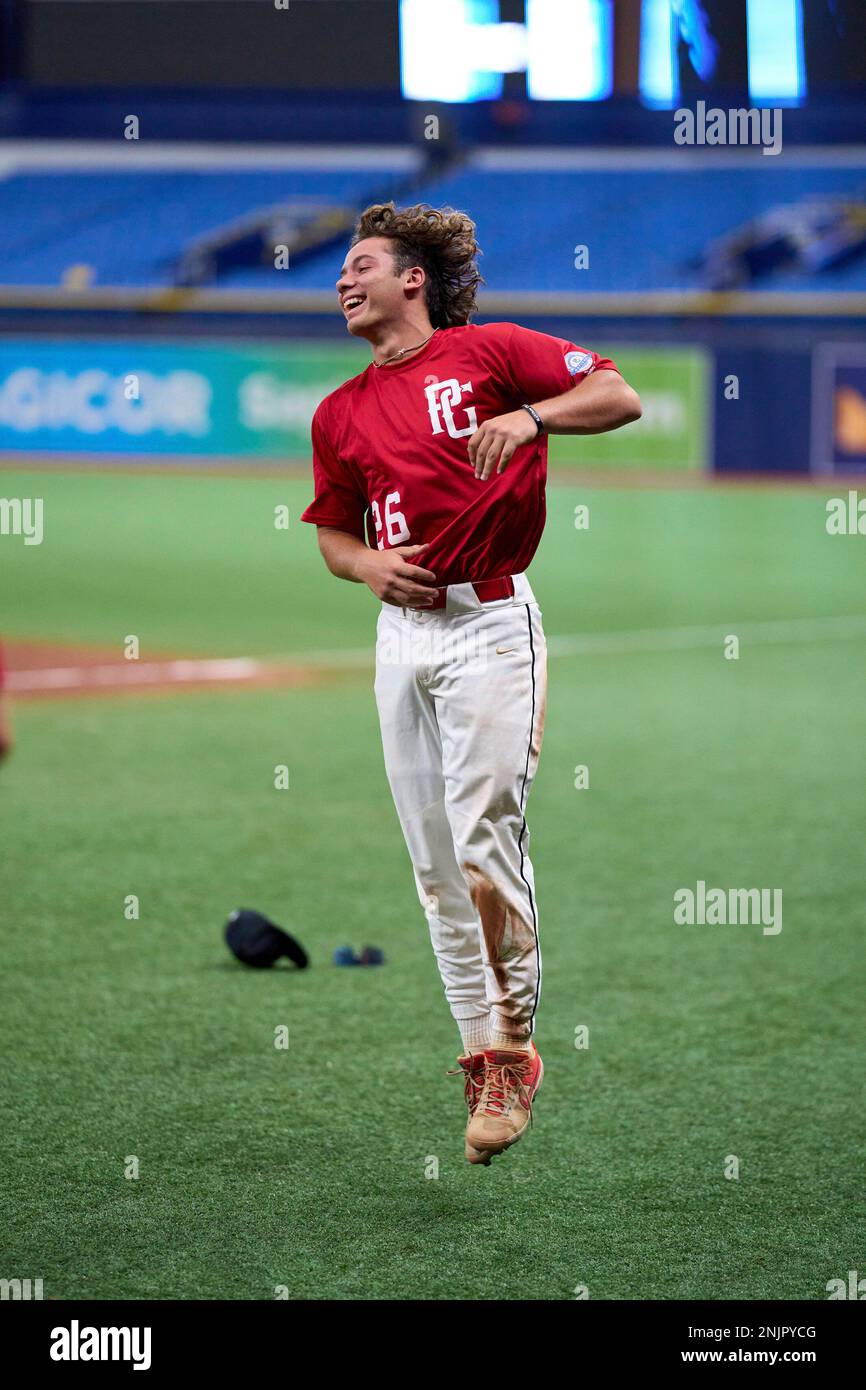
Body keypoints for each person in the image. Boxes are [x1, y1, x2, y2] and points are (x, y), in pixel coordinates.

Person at [301, 202, 641, 1164]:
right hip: (399, 638)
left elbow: (618, 396)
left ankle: (517, 1043)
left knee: (485, 832)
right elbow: (333, 533)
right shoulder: (339, 411)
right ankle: (478, 1058)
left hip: (491, 624)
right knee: (433, 863)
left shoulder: (488, 351)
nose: (343, 280)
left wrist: (530, 417)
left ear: (414, 278)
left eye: (361, 263)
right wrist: (366, 566)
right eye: (341, 269)